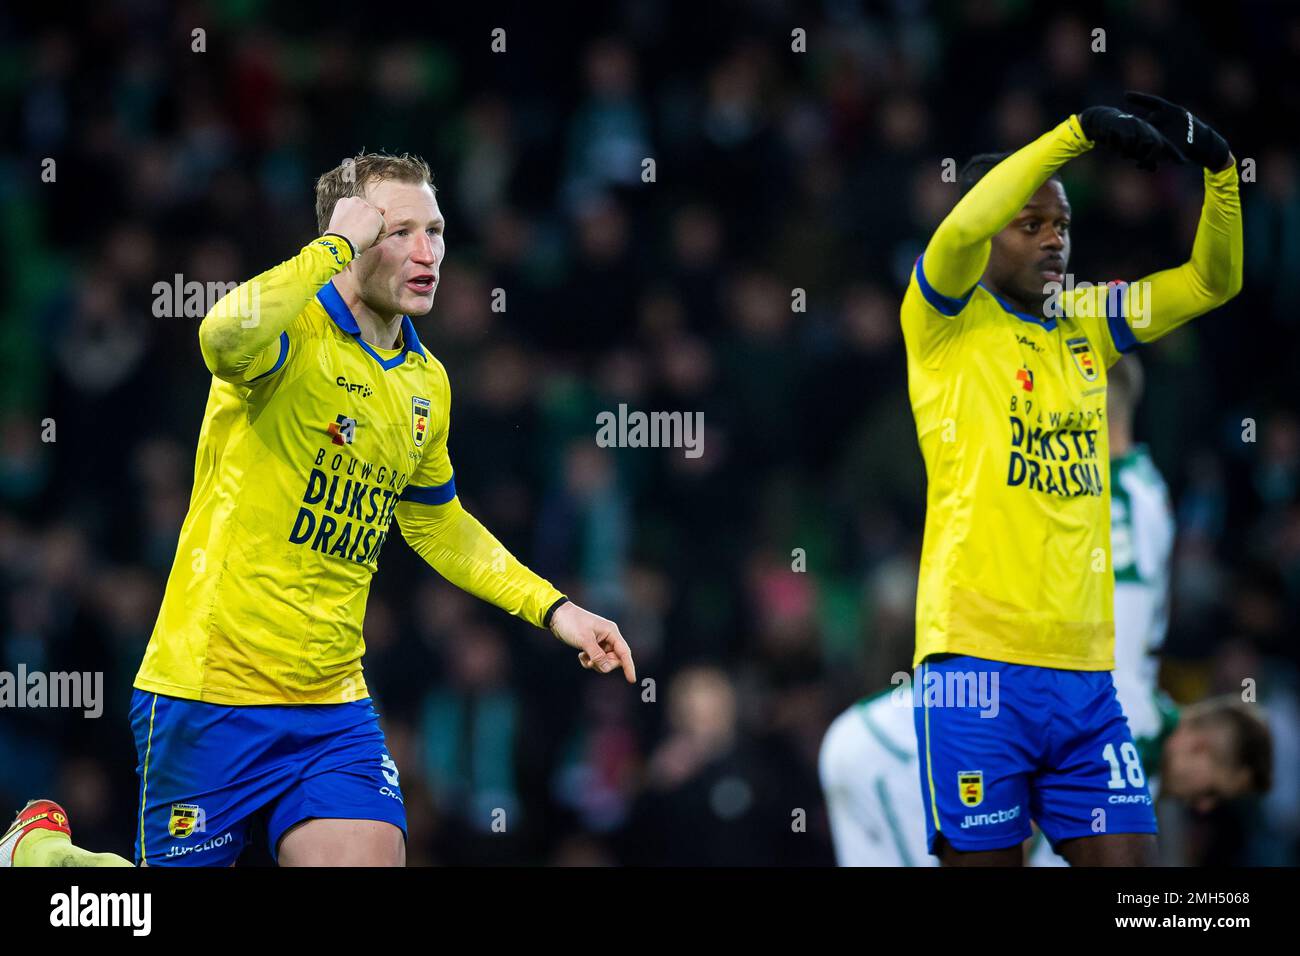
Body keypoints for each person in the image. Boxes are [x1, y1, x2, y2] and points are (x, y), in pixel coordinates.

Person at [2, 152, 635, 868]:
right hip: (209, 697)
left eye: (436, 230)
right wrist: (329, 249)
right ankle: (47, 860)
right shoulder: (287, 334)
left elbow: (436, 521)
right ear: (349, 235)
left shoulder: (426, 382)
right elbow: (219, 336)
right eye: (398, 232)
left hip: (333, 708)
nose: (427, 253)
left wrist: (555, 609)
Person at [899, 93, 1241, 865]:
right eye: (1032, 226)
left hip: (1087, 679)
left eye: (1062, 226)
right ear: (992, 238)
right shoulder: (942, 323)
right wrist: (1076, 134)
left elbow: (1211, 283)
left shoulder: (1088, 321)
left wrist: (1221, 172)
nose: (1055, 241)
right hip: (974, 669)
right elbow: (957, 230)